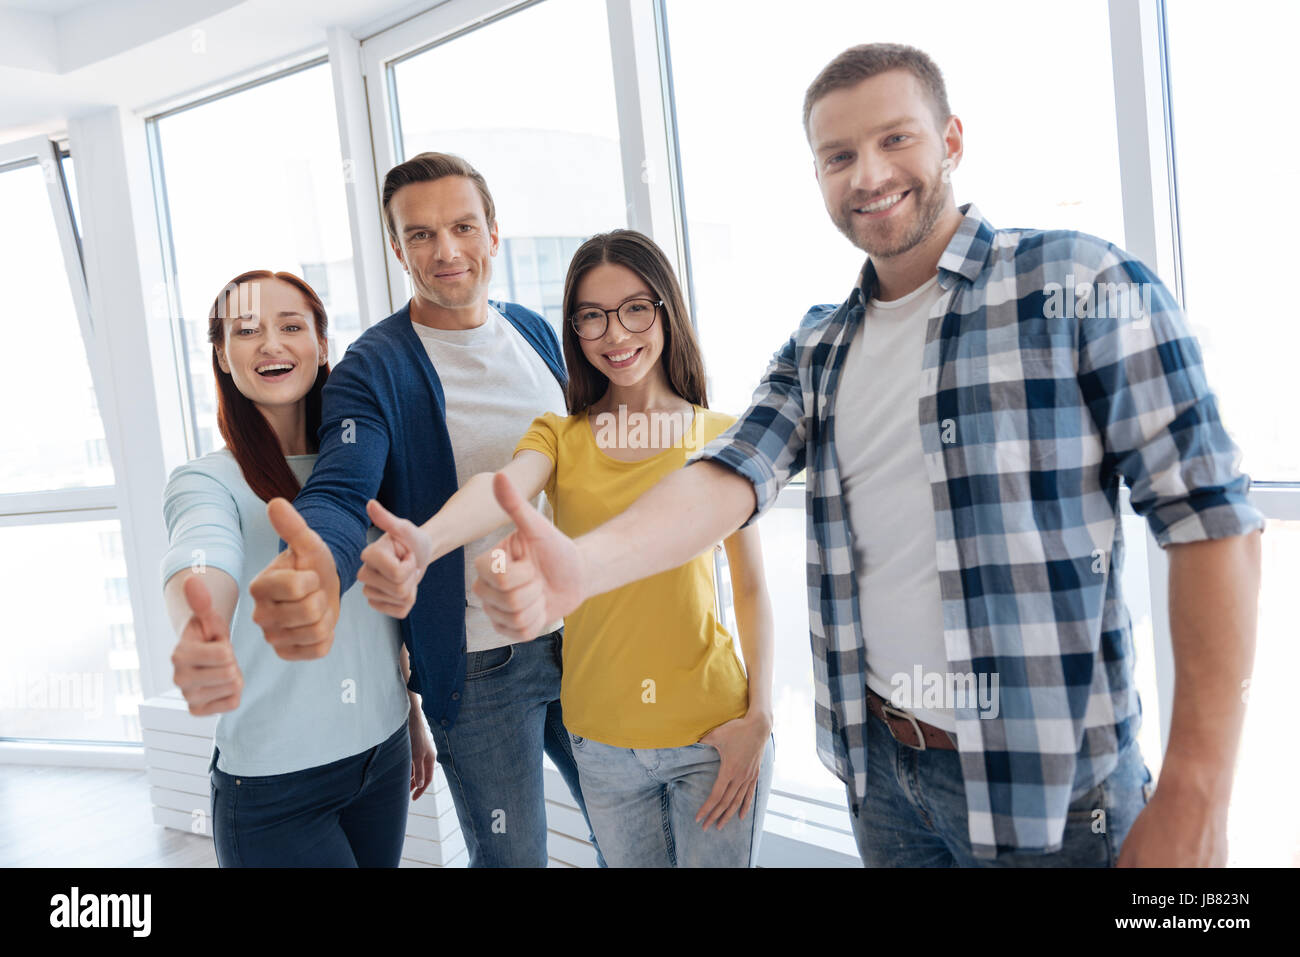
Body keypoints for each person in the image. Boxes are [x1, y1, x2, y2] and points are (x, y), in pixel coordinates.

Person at [469, 43, 1265, 868]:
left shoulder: (1082, 284)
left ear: (951, 140)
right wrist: (583, 564)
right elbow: (726, 478)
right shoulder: (820, 346)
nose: (868, 173)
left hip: (1055, 791)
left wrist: (1198, 790)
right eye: (838, 156)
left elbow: (1213, 520)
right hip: (883, 774)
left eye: (896, 140)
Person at [359, 230, 775, 867]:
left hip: (713, 733)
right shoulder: (558, 436)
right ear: (574, 331)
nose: (615, 334)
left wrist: (761, 718)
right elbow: (499, 491)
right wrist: (428, 539)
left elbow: (749, 588)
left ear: (667, 310)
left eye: (636, 308)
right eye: (591, 317)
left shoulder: (721, 437)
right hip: (601, 743)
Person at [245, 153, 603, 868]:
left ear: (494, 234)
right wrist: (320, 556)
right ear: (396, 246)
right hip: (480, 663)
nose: (445, 251)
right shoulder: (373, 368)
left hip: (587, 632)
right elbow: (346, 491)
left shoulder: (533, 332)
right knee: (514, 857)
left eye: (463, 226)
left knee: (622, 831)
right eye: (420, 235)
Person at [162, 270, 431, 867]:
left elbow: (379, 619)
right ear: (223, 357)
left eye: (291, 326)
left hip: (381, 755)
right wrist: (200, 621)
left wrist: (409, 710)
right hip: (274, 784)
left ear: (322, 345)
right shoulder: (206, 481)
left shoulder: (365, 464)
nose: (272, 344)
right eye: (247, 331)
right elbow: (201, 554)